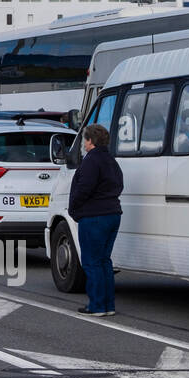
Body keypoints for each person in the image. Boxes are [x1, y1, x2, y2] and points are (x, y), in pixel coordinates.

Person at [68, 122, 124, 316]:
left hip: (94, 217)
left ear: (90, 141)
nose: (83, 144)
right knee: (104, 261)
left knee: (91, 262)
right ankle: (109, 305)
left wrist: (74, 207)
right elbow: (119, 185)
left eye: (85, 139)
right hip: (113, 214)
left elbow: (84, 187)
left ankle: (96, 305)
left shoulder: (91, 160)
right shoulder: (111, 160)